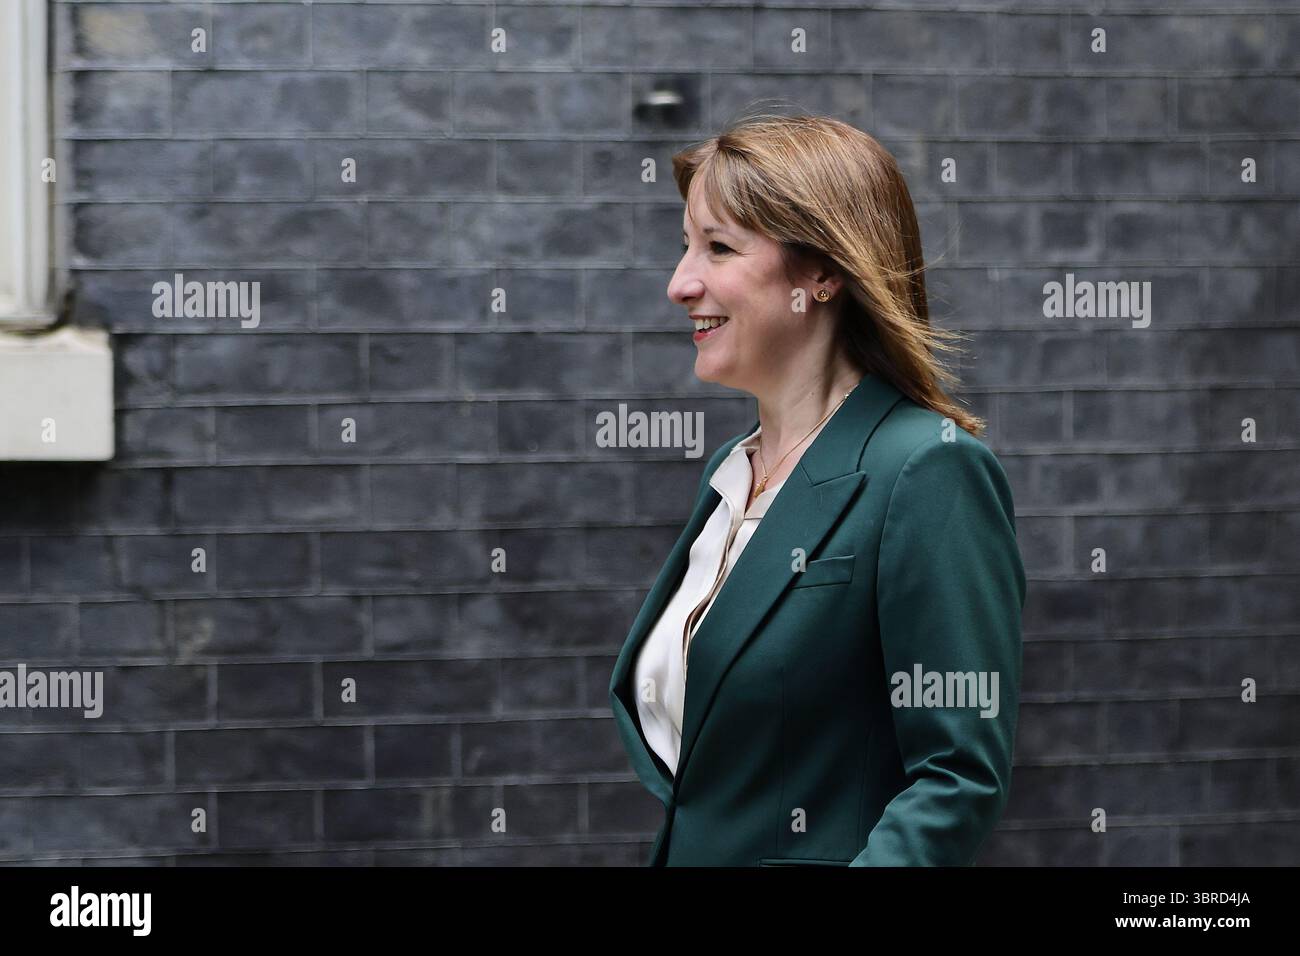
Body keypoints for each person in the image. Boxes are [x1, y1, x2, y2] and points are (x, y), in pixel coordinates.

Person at [607, 113, 1026, 866]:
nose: (680, 283)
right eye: (684, 247)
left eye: (718, 247)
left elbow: (957, 776)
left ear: (823, 273)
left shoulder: (927, 470)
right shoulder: (732, 471)